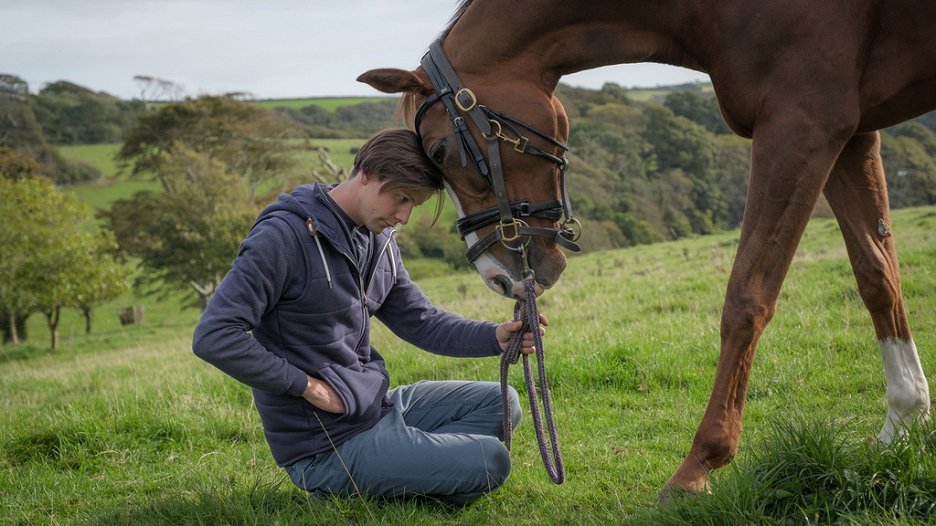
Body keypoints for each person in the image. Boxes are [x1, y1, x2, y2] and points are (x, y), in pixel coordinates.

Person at [192, 128, 546, 506]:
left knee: (503, 402)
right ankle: (348, 483)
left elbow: (419, 319)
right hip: (325, 442)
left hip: (375, 407)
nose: (405, 216)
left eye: (415, 205)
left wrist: (495, 337)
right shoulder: (282, 239)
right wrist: (304, 385)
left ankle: (400, 472)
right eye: (401, 198)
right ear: (367, 174)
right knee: (490, 460)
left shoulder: (379, 241)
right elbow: (214, 335)